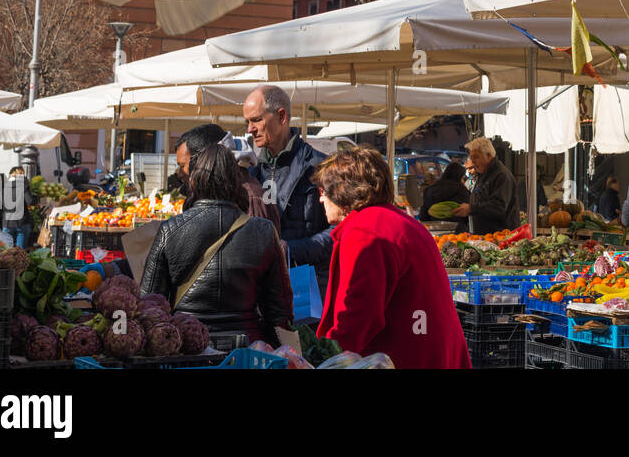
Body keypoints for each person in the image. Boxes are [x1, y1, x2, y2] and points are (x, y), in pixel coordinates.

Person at [315, 147, 471, 368]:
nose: (321, 199)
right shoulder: (396, 220)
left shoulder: (365, 231)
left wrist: (331, 358)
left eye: (323, 190)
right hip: (432, 352)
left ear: (342, 192)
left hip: (406, 356)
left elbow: (357, 315)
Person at [140, 145, 293, 344]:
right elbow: (280, 311)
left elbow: (150, 303)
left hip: (186, 347)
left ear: (194, 181)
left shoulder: (171, 229)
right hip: (247, 348)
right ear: (237, 182)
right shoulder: (263, 230)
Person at [244, 84, 333, 290]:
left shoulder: (321, 167)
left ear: (281, 116)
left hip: (310, 287)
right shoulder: (251, 174)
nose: (249, 129)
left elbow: (341, 229)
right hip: (264, 287)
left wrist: (293, 250)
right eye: (247, 122)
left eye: (256, 119)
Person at [453, 137, 519, 234]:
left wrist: (471, 208)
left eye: (475, 157)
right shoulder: (483, 174)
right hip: (484, 237)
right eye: (471, 157)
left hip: (501, 237)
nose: (473, 161)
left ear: (488, 155)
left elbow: (499, 207)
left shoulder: (502, 176)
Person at [418, 161, 470, 231]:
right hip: (458, 232)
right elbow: (468, 215)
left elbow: (423, 217)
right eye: (463, 178)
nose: (463, 181)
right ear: (459, 177)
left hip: (434, 231)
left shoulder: (429, 190)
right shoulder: (462, 190)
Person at [3, 166, 34, 249]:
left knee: (6, 253)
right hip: (21, 222)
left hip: (7, 223)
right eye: (21, 174)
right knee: (20, 253)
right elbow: (30, 202)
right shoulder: (23, 187)